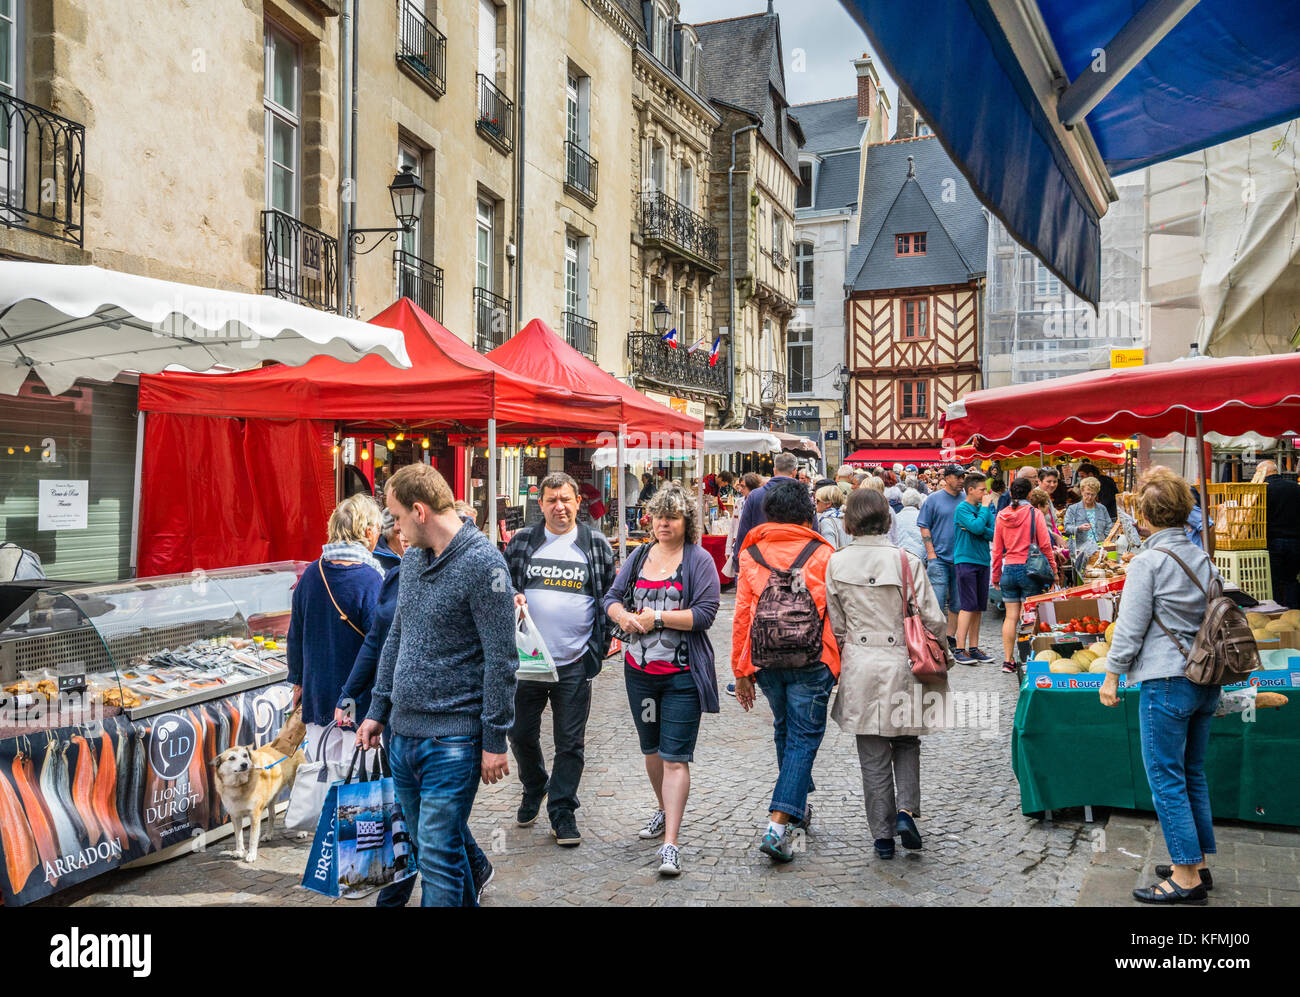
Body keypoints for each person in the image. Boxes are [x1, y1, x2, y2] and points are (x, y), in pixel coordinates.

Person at [355, 464, 514, 907]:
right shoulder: (411, 561)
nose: (396, 528)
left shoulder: (484, 565)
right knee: (430, 852)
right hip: (403, 736)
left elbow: (502, 660)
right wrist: (376, 710)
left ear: (419, 511)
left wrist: (495, 738)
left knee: (439, 857)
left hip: (453, 740)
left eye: (398, 517)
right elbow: (396, 639)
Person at [1100, 468, 1219, 905]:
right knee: (1192, 774)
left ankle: (1185, 878)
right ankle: (1198, 864)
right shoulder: (1202, 557)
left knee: (1166, 779)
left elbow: (1129, 628)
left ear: (1146, 516)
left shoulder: (1148, 562)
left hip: (1166, 680)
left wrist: (1112, 675)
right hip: (1204, 677)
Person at [602, 482, 720, 877]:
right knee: (651, 750)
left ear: (687, 522)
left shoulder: (698, 560)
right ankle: (661, 808)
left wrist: (657, 618)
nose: (664, 523)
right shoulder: (638, 556)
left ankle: (671, 843)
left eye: (673, 517)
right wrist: (622, 616)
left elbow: (704, 613)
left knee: (675, 756)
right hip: (640, 673)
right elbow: (612, 597)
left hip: (682, 674)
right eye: (658, 516)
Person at [826, 489, 950, 859]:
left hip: (861, 663)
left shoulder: (836, 563)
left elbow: (836, 624)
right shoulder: (906, 560)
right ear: (887, 518)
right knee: (907, 740)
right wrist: (945, 649)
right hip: (903, 661)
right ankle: (905, 811)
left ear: (849, 521)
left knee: (872, 752)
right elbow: (933, 617)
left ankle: (882, 836)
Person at [504, 473, 616, 848]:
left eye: (566, 499)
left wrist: (596, 652)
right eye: (552, 500)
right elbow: (504, 589)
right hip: (527, 661)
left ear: (578, 502)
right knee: (519, 733)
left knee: (570, 742)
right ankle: (535, 785)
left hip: (573, 661)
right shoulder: (522, 542)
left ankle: (562, 809)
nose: (560, 507)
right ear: (541, 504)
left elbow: (609, 598)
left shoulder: (596, 545)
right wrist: (513, 597)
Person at [732, 478, 839, 864]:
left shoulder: (751, 555)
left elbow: (742, 615)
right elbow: (836, 613)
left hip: (766, 661)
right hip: (814, 661)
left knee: (785, 730)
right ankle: (778, 828)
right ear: (808, 514)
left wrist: (741, 669)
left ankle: (795, 806)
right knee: (802, 739)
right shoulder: (824, 555)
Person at [288, 494, 385, 763]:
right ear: (367, 532)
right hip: (360, 703)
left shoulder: (310, 574)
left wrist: (298, 682)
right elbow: (381, 645)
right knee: (355, 784)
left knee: (321, 775)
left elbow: (295, 634)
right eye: (377, 528)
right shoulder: (372, 579)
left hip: (318, 694)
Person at [990, 478, 1060, 673]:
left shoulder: (1002, 515)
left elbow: (997, 550)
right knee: (1029, 616)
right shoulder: (1034, 514)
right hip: (1030, 570)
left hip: (1009, 569)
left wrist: (996, 574)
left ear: (1012, 494)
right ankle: (1029, 659)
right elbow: (1045, 545)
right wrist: (1053, 571)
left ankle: (1008, 660)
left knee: (1010, 616)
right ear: (1029, 494)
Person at [917, 464, 965, 650]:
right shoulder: (933, 499)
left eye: (963, 477)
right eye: (958, 477)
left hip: (961, 558)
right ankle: (934, 637)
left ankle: (950, 636)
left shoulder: (966, 499)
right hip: (939, 558)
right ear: (948, 478)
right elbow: (924, 525)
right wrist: (931, 553)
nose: (962, 480)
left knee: (957, 601)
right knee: (936, 601)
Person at [953, 472, 996, 665]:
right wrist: (983, 514)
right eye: (982, 490)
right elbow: (979, 528)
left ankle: (974, 647)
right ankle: (960, 648)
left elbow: (994, 533)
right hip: (966, 559)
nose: (985, 493)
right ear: (970, 490)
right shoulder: (962, 508)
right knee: (968, 605)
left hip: (982, 560)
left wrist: (977, 526)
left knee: (978, 607)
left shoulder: (981, 509)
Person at [1255, 460, 1300, 608]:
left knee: (1274, 579)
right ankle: (1295, 612)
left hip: (1273, 541)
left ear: (1263, 472)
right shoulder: (1295, 488)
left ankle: (1278, 610)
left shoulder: (1262, 490)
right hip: (1296, 541)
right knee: (1291, 579)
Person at [735, 452, 798, 555]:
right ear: (794, 472)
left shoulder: (755, 495)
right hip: (793, 558)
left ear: (774, 470)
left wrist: (738, 561)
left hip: (759, 558)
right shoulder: (803, 496)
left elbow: (743, 531)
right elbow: (813, 530)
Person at [1065, 476, 1114, 567]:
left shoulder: (1102, 508)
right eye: (1087, 494)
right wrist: (1079, 528)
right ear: (1082, 491)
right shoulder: (1073, 509)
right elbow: (1067, 528)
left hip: (1100, 550)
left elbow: (1109, 526)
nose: (1090, 497)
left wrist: (1105, 541)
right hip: (1081, 551)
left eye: (1093, 494)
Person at [895, 488, 927, 561]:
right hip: (919, 557)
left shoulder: (896, 518)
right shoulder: (922, 517)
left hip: (900, 557)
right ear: (918, 503)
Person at [815, 484, 847, 549]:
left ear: (828, 504)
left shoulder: (826, 521)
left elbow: (830, 547)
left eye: (818, 500)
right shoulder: (847, 516)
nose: (815, 503)